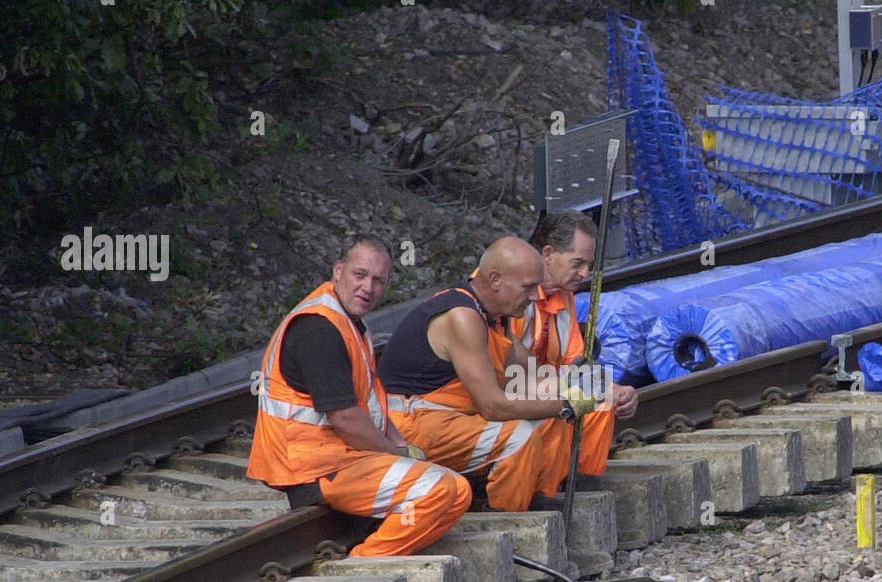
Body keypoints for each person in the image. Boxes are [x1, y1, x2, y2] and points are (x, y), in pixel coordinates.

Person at [247, 235, 471, 556]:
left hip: (342, 458)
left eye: (379, 280)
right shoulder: (319, 330)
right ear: (338, 271)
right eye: (360, 275)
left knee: (458, 492)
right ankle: (366, 561)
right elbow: (347, 419)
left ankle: (376, 548)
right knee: (438, 489)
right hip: (313, 468)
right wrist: (397, 456)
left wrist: (403, 446)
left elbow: (371, 408)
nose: (368, 287)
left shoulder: (350, 324)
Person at [377, 236, 601, 512]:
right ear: (495, 280)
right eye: (528, 288)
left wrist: (576, 385)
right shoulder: (462, 316)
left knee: (549, 419)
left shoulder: (498, 314)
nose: (534, 297)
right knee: (518, 437)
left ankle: (540, 500)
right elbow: (492, 405)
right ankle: (506, 520)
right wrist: (565, 404)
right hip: (411, 422)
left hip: (447, 415)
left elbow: (525, 374)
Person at [513, 210, 638, 476]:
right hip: (514, 391)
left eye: (589, 265)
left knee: (600, 400)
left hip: (541, 387)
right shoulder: (511, 295)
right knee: (570, 402)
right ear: (548, 254)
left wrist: (616, 390)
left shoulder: (564, 296)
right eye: (578, 263)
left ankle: (583, 485)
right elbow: (509, 371)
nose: (585, 273)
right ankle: (541, 494)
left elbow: (575, 363)